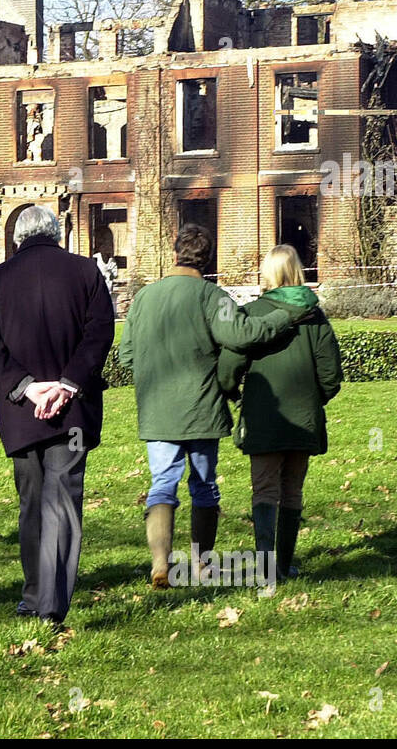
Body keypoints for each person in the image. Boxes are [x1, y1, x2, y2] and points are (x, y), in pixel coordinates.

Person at [118, 224, 309, 589]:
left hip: (157, 409)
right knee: (204, 487)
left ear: (174, 253)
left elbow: (127, 355)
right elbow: (243, 336)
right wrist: (287, 315)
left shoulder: (144, 297)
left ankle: (161, 564)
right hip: (202, 408)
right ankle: (201, 566)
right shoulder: (213, 297)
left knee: (162, 484)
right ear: (208, 259)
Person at [0, 205, 115, 625]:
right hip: (73, 412)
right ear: (57, 235)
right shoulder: (88, 274)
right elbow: (99, 332)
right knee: (63, 502)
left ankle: (33, 595)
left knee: (31, 503)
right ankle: (52, 603)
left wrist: (26, 386)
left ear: (17, 238)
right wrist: (68, 383)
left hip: (21, 412)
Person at [218, 245, 342, 583]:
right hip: (303, 419)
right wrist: (313, 402)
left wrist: (233, 392)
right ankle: (285, 565)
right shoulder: (316, 318)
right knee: (292, 492)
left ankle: (265, 570)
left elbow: (229, 364)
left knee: (264, 491)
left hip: (263, 416)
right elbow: (331, 374)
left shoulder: (252, 313)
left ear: (268, 273)